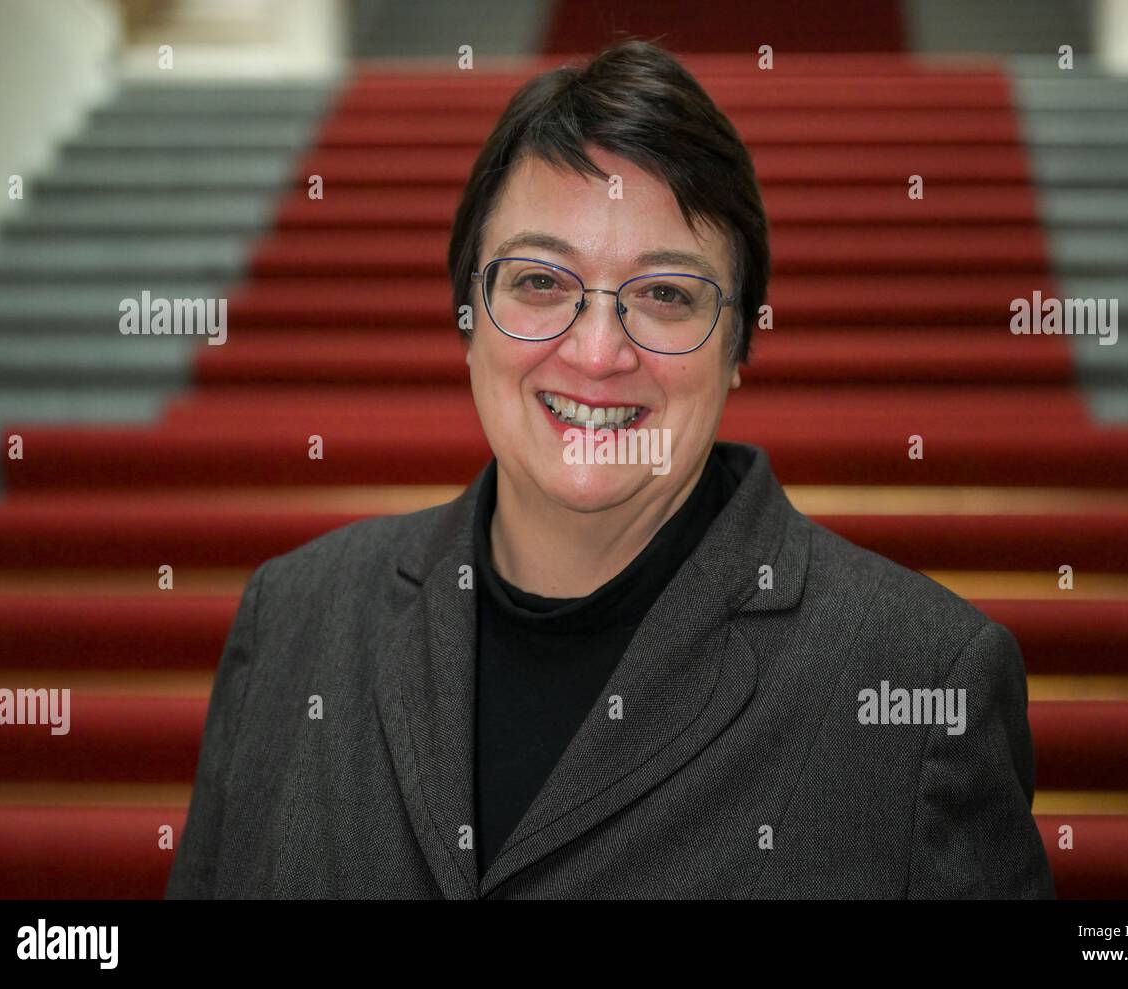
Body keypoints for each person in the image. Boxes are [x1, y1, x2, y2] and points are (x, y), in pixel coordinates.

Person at [166, 38, 1054, 899]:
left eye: (665, 293)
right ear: (467, 314)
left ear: (740, 344)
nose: (595, 353)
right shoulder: (291, 620)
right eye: (540, 282)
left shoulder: (923, 680)